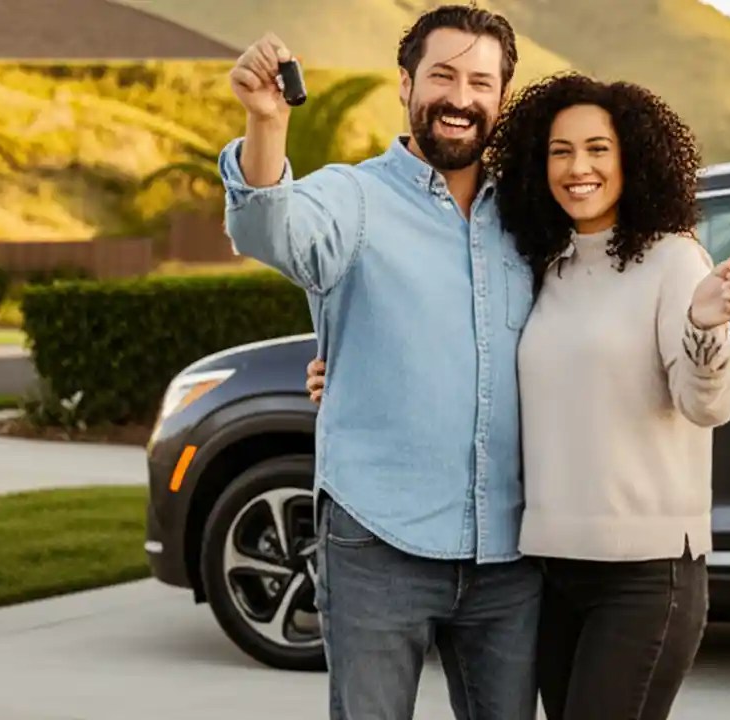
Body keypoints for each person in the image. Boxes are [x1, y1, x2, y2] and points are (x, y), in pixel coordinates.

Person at [308, 71, 730, 720]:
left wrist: (706, 326)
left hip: (645, 573)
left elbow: (707, 404)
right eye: (560, 151)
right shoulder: (540, 263)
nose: (580, 167)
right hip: (551, 571)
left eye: (599, 149)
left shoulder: (673, 260)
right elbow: (475, 365)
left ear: (632, 155)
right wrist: (347, 373)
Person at [218, 6, 542, 720]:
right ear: (406, 84)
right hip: (378, 542)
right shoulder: (353, 197)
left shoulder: (529, 216)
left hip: (510, 553)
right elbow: (270, 227)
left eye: (481, 82)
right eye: (443, 76)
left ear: (502, 99)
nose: (461, 98)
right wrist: (268, 123)